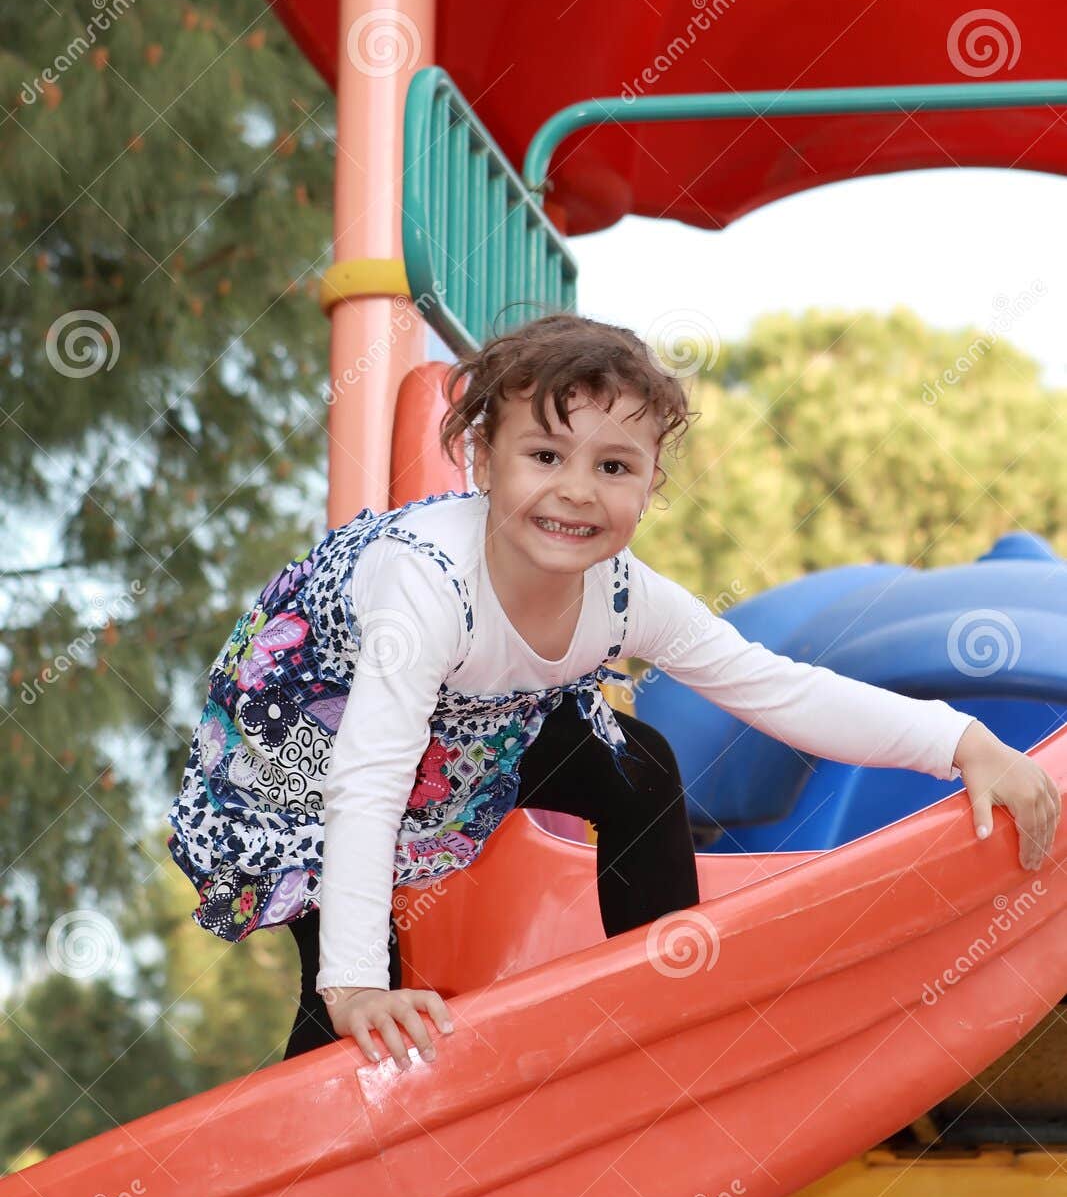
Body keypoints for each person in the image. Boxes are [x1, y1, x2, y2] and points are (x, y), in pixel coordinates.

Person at [166, 312, 1061, 1071]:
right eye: (544, 455)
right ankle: (300, 1173)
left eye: (614, 467)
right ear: (482, 458)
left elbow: (776, 689)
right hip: (310, 739)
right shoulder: (425, 584)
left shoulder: (622, 595)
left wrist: (962, 743)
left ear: (650, 480)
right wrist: (360, 982)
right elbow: (366, 778)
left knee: (635, 768)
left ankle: (662, 995)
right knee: (355, 978)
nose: (575, 493)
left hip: (476, 717)